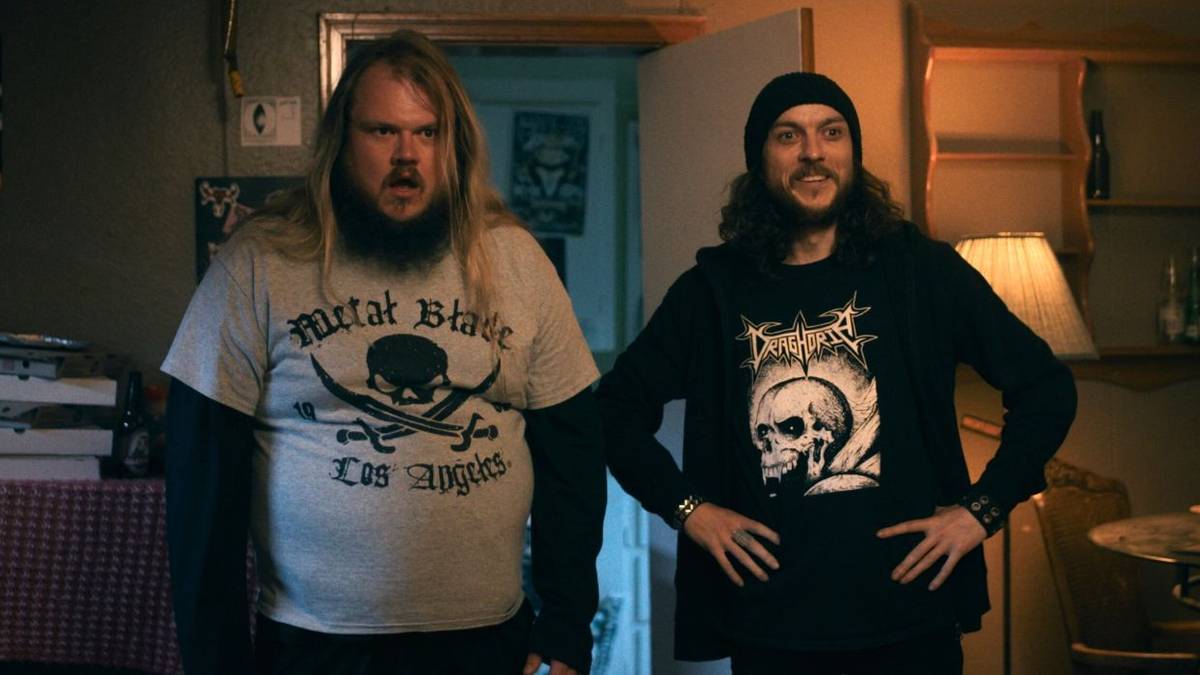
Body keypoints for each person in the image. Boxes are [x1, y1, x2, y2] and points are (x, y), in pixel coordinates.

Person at [595, 72, 1076, 674]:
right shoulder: (711, 292)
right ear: (760, 159)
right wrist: (688, 508)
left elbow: (1046, 388)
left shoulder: (921, 273)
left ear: (852, 151)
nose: (812, 152)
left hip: (911, 616)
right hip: (771, 627)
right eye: (787, 135)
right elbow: (612, 411)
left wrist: (983, 509)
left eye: (831, 132)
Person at [162, 30, 606, 675]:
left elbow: (573, 458)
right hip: (316, 646)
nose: (407, 156)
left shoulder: (516, 261)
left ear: (453, 144)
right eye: (382, 132)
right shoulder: (261, 262)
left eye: (428, 133)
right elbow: (201, 484)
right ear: (343, 140)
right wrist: (218, 662)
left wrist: (568, 622)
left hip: (485, 641)